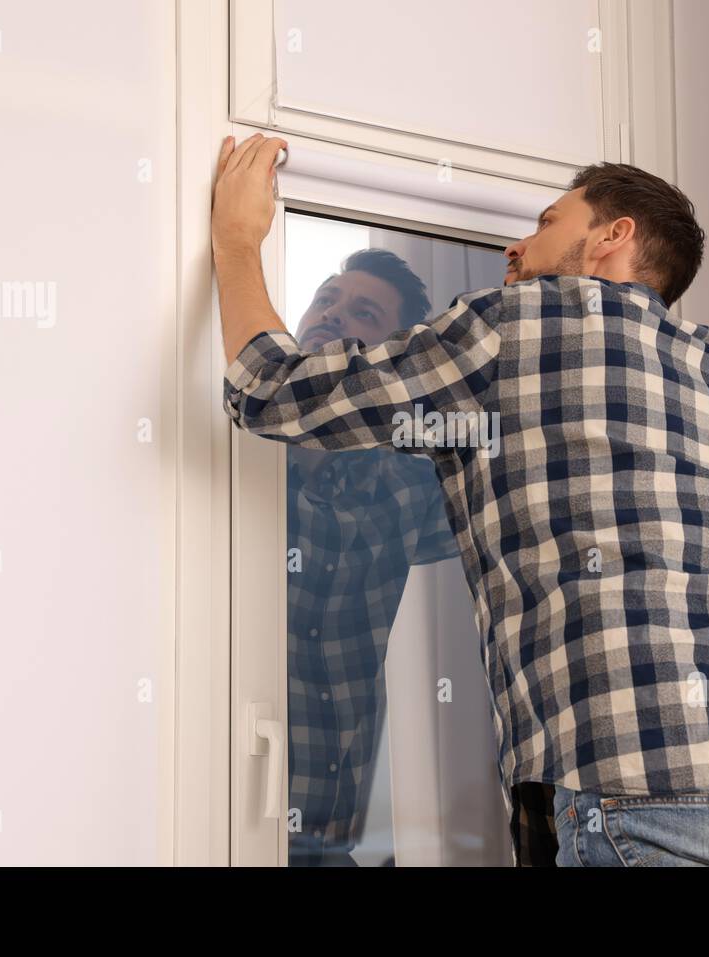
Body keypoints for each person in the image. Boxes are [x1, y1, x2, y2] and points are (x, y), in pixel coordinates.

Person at [212, 132, 709, 867]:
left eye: (547, 223)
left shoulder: (513, 329)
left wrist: (236, 243)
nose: (516, 248)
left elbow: (271, 390)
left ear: (614, 236)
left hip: (652, 779)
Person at [279, 248, 462, 866]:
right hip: (222, 815)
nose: (331, 314)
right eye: (326, 298)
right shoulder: (233, 470)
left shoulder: (403, 487)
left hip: (334, 836)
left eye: (363, 312)